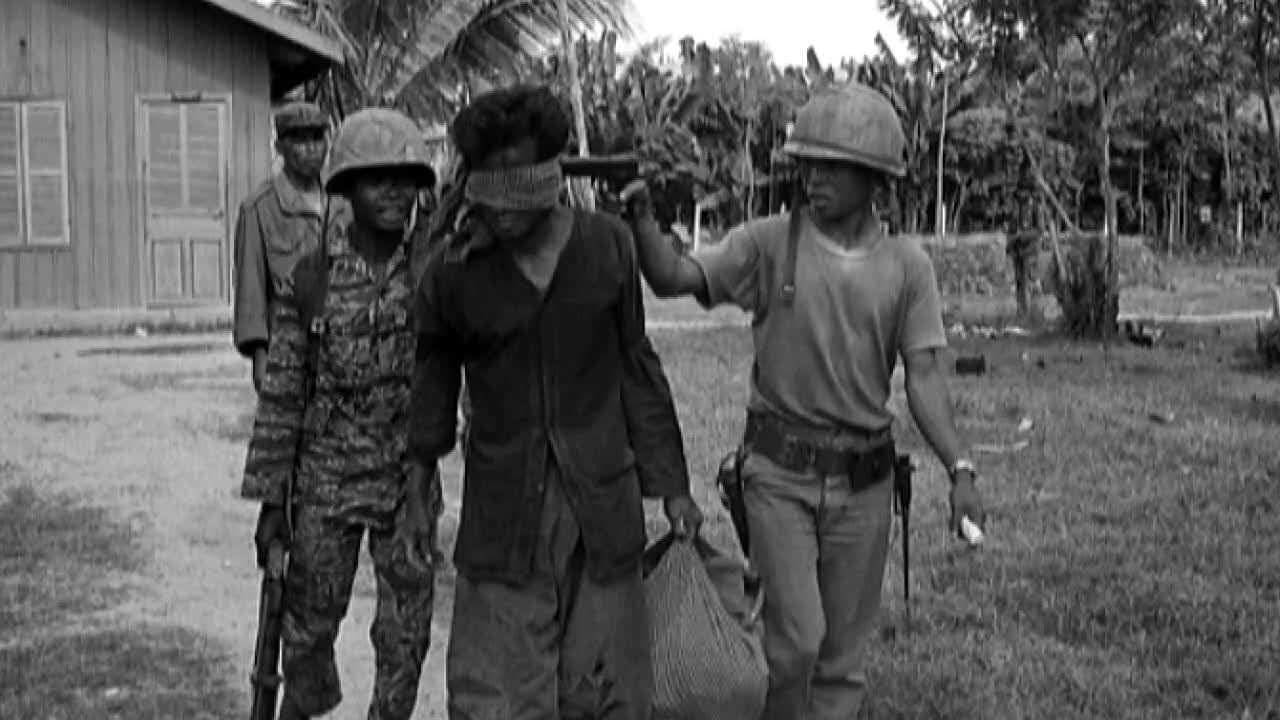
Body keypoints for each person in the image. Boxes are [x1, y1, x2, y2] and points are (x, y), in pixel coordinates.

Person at [624, 84, 988, 719]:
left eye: (831, 167)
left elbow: (924, 377)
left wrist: (961, 468)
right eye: (806, 165)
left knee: (842, 660)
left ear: (876, 179)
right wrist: (643, 226)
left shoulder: (907, 267)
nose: (812, 179)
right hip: (778, 478)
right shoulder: (768, 244)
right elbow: (676, 277)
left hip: (866, 485)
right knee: (795, 642)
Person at [407, 85, 705, 720]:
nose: (505, 211)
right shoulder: (453, 272)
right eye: (490, 186)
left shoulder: (607, 249)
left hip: (602, 512)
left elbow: (637, 367)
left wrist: (673, 486)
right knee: (496, 699)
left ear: (551, 176)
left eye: (519, 186)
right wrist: (417, 486)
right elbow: (432, 384)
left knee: (602, 696)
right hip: (502, 521)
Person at [241, 107, 441, 720]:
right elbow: (281, 398)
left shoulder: (432, 275)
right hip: (326, 483)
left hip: (405, 485)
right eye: (377, 178)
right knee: (307, 629)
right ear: (347, 188)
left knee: (406, 636)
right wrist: (274, 503)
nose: (395, 192)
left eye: (405, 178)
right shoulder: (313, 280)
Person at [232, 101, 337, 393]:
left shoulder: (342, 201)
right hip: (289, 348)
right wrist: (260, 358)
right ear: (280, 148)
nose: (312, 149)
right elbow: (250, 290)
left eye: (317, 138)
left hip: (341, 348)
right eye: (300, 140)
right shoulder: (259, 209)